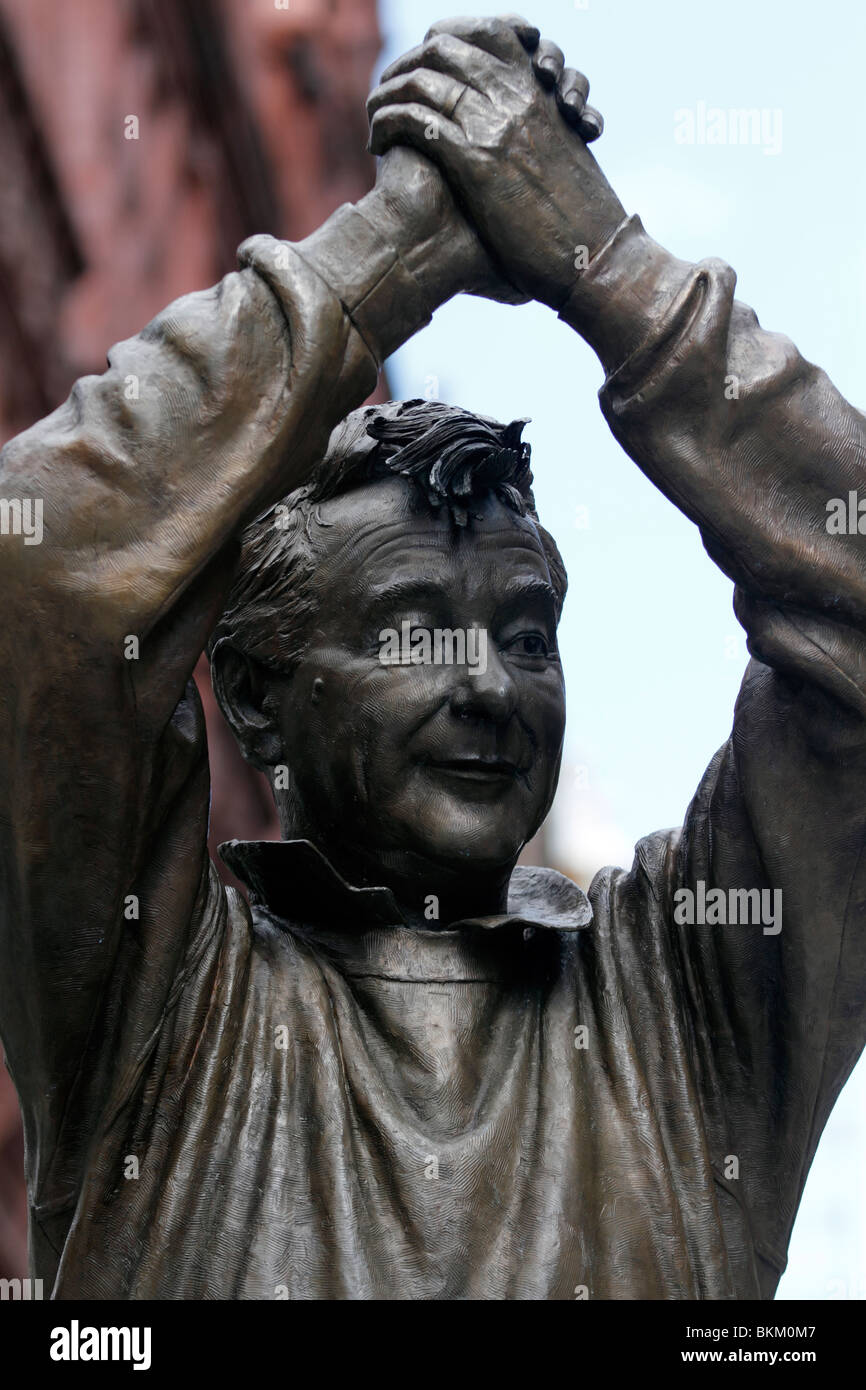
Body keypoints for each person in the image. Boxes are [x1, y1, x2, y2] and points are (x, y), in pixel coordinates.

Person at [0, 15, 863, 1300]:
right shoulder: (155, 1002)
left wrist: (599, 259)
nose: (487, 686)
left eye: (525, 635)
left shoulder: (689, 1008)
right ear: (257, 698)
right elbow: (39, 575)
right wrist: (402, 242)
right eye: (413, 629)